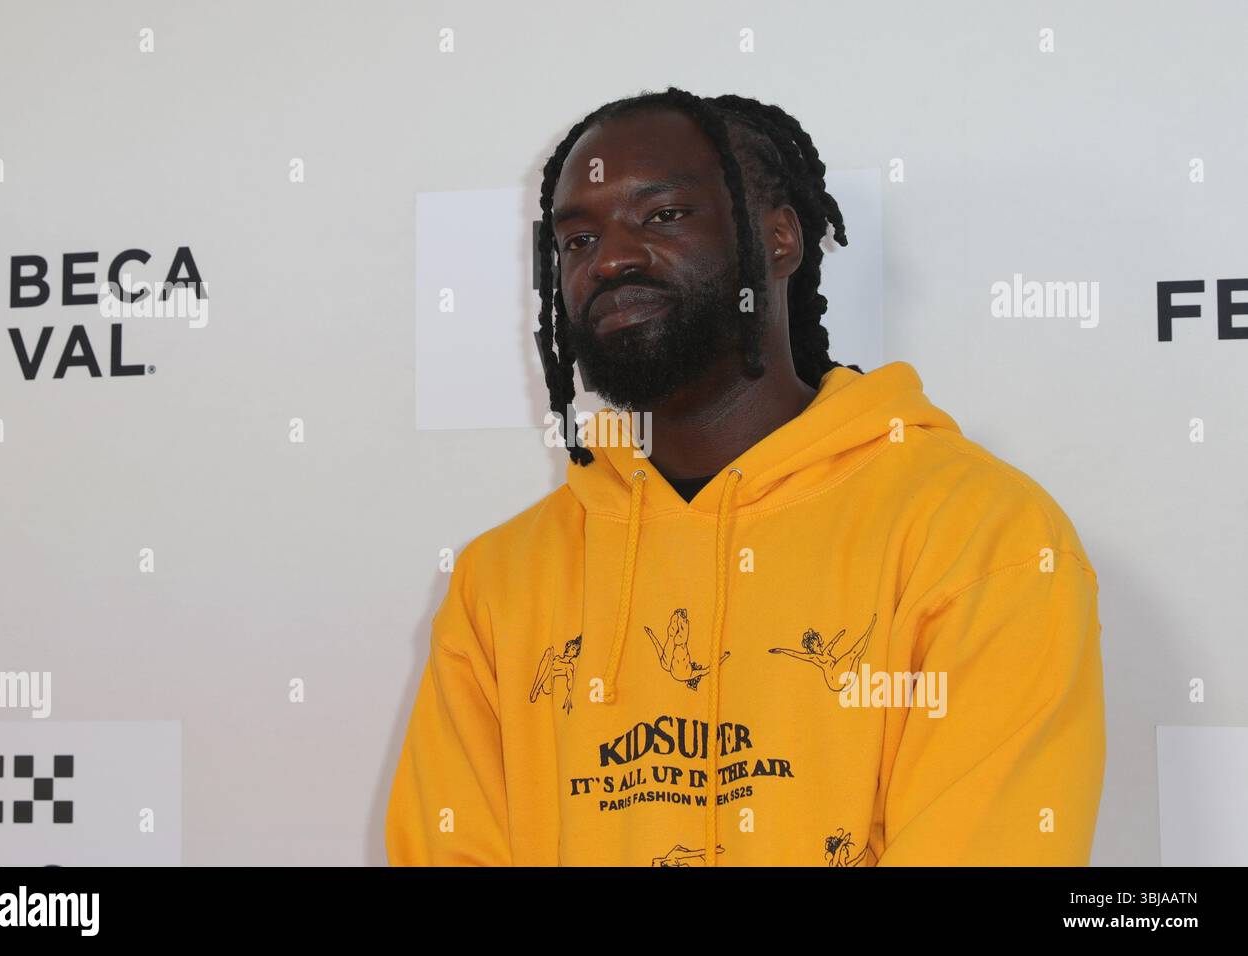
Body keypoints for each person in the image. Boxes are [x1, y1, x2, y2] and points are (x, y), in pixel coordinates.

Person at [385, 87, 1105, 866]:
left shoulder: (978, 536)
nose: (611, 259)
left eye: (663, 215)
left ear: (780, 238)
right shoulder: (500, 582)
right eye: (579, 239)